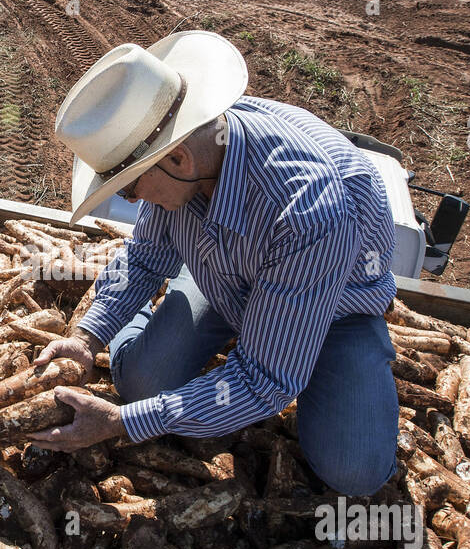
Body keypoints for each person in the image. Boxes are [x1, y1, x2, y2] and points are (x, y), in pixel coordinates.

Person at [29, 30, 400, 496]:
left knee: (355, 472)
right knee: (142, 382)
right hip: (223, 279)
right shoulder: (186, 154)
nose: (131, 199)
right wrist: (88, 336)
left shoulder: (309, 211)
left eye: (128, 188)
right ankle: (148, 337)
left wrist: (121, 423)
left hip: (331, 312)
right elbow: (144, 258)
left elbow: (265, 381)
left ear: (178, 158)